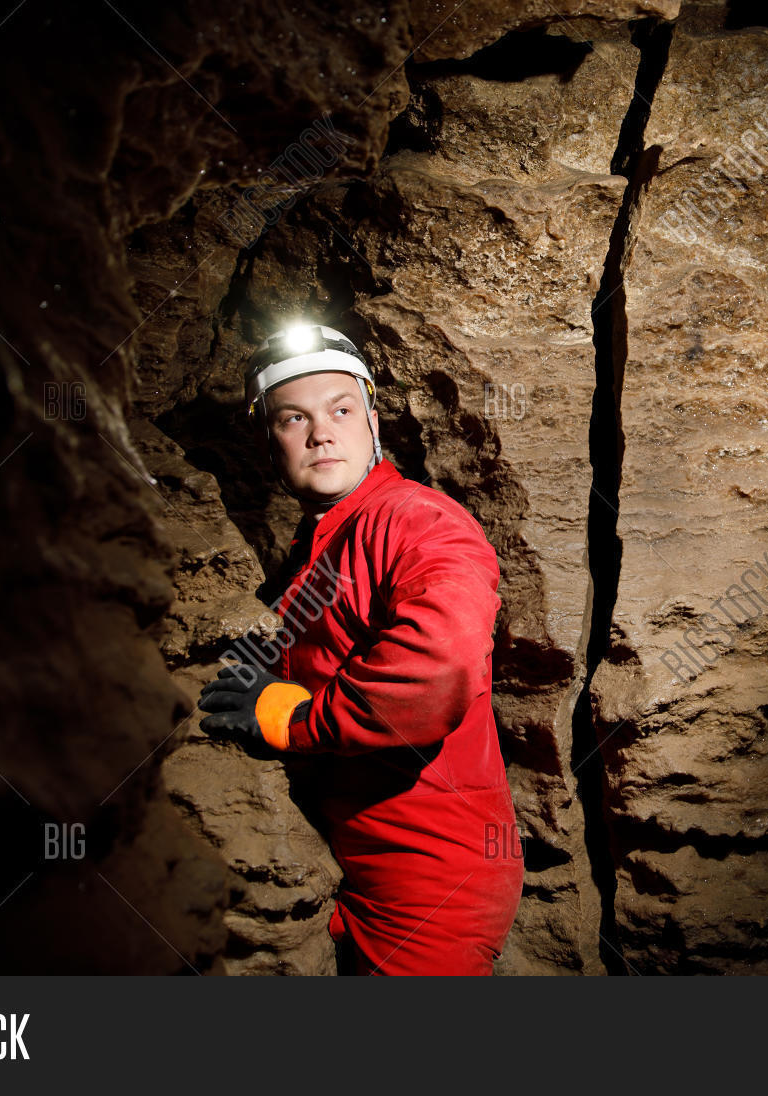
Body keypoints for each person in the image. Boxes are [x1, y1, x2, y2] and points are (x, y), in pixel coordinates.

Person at [196, 322, 523, 975]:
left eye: (341, 410)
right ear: (271, 441)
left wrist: (292, 720)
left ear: (374, 422)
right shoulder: (318, 543)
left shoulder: (416, 519)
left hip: (431, 882)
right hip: (357, 860)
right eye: (294, 418)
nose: (321, 432)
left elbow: (440, 666)